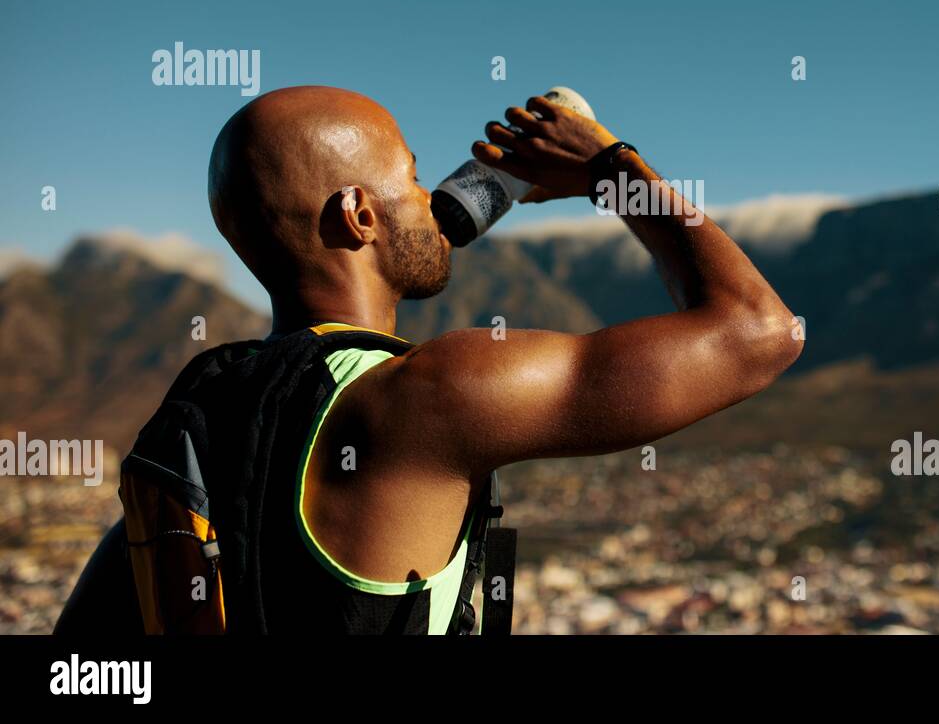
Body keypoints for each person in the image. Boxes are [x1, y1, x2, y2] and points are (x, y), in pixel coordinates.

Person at [56, 84, 802, 634]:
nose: (431, 196)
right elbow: (761, 332)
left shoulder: (201, 418)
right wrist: (610, 169)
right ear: (359, 215)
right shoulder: (429, 395)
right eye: (410, 177)